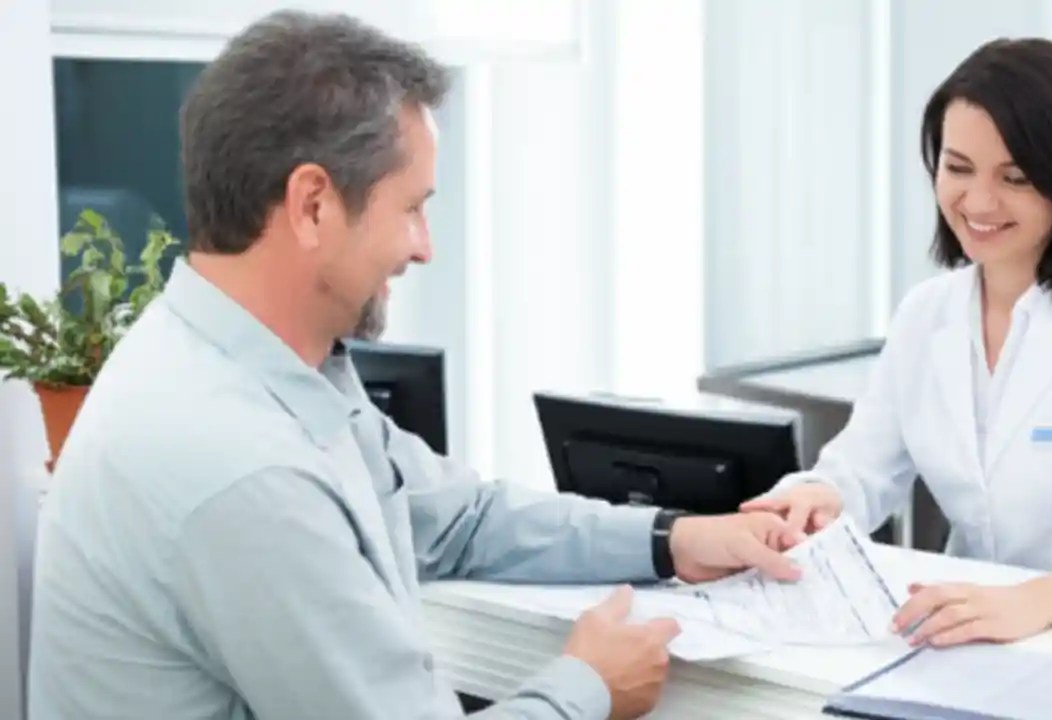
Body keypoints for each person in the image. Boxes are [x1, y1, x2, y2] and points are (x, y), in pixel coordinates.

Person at [28, 11, 805, 720]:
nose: (424, 247)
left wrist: (671, 539)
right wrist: (590, 687)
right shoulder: (241, 468)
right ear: (312, 205)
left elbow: (458, 518)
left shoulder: (259, 367)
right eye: (411, 207)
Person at [744, 38, 1052, 647]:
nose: (977, 201)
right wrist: (814, 498)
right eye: (958, 168)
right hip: (962, 633)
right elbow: (861, 471)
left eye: (1015, 177)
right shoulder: (926, 314)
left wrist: (1044, 598)